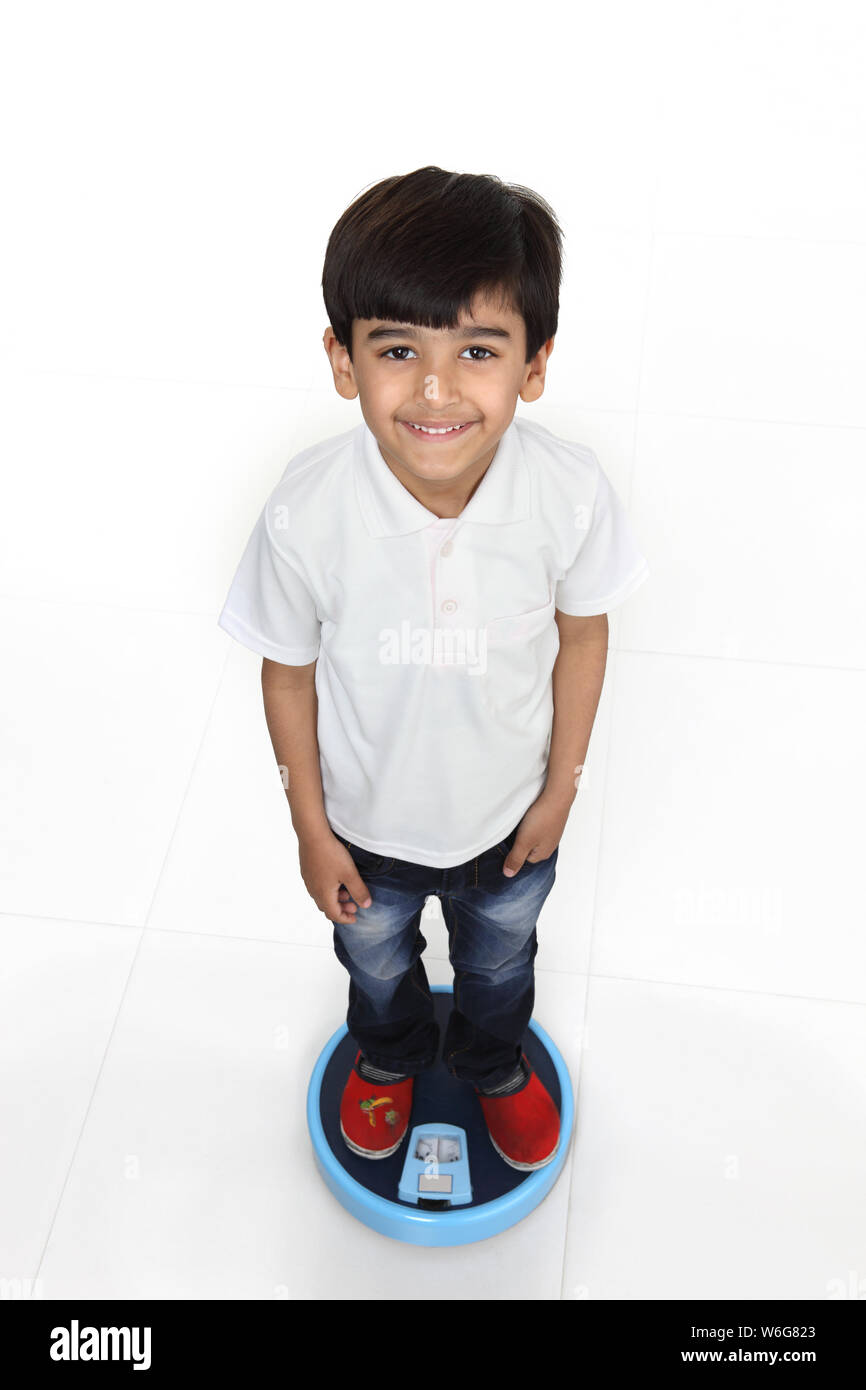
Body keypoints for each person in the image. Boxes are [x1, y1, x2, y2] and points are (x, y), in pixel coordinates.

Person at [217, 166, 649, 1171]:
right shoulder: (305, 511)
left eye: (479, 350)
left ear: (533, 364)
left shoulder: (569, 493)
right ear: (341, 358)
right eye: (397, 348)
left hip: (509, 823)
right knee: (373, 963)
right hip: (366, 833)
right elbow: (287, 672)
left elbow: (582, 637)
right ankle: (389, 1053)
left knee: (499, 964)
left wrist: (557, 793)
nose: (436, 389)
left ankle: (493, 1060)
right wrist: (311, 828)